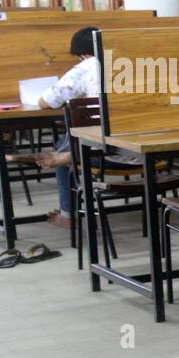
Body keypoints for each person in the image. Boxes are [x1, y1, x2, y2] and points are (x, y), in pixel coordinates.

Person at [34, 27, 130, 228]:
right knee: (70, 144)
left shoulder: (86, 67)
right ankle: (70, 155)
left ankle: (68, 214)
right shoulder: (133, 61)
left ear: (84, 54)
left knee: (63, 145)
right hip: (141, 151)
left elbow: (45, 102)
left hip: (105, 154)